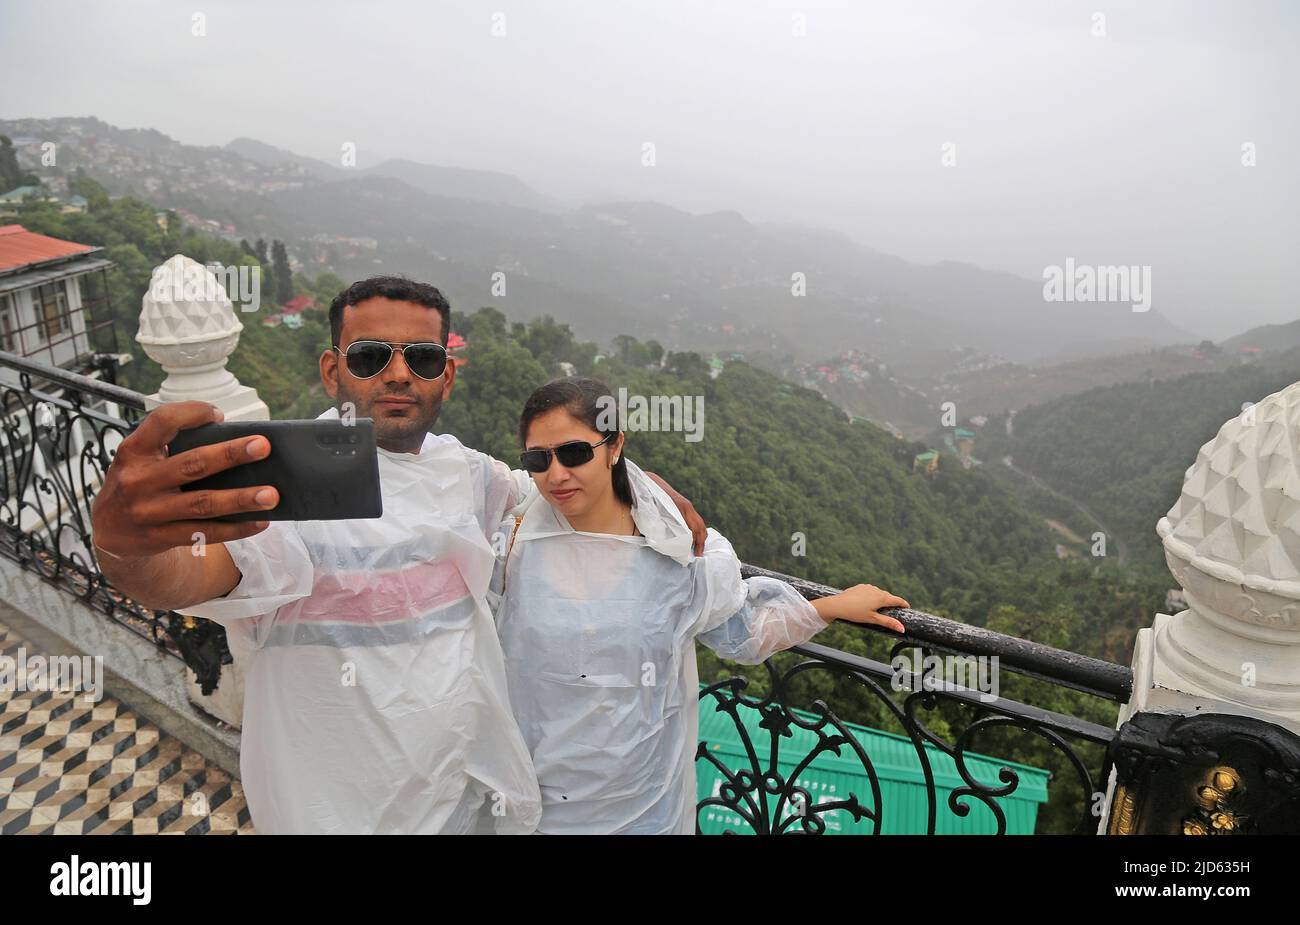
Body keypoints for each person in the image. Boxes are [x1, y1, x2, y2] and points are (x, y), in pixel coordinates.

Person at [90, 277, 706, 834]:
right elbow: (189, 574)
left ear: (446, 375)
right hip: (338, 812)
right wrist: (122, 545)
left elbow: (562, 487)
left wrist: (638, 485)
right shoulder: (290, 494)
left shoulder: (463, 473)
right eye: (370, 355)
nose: (398, 373)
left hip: (462, 800)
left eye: (422, 357)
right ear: (333, 371)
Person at [490, 377, 911, 834]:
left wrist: (828, 607)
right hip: (532, 801)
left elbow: (743, 634)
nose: (556, 475)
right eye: (538, 459)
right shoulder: (511, 541)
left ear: (614, 447)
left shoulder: (674, 551)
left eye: (574, 453)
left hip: (640, 805)